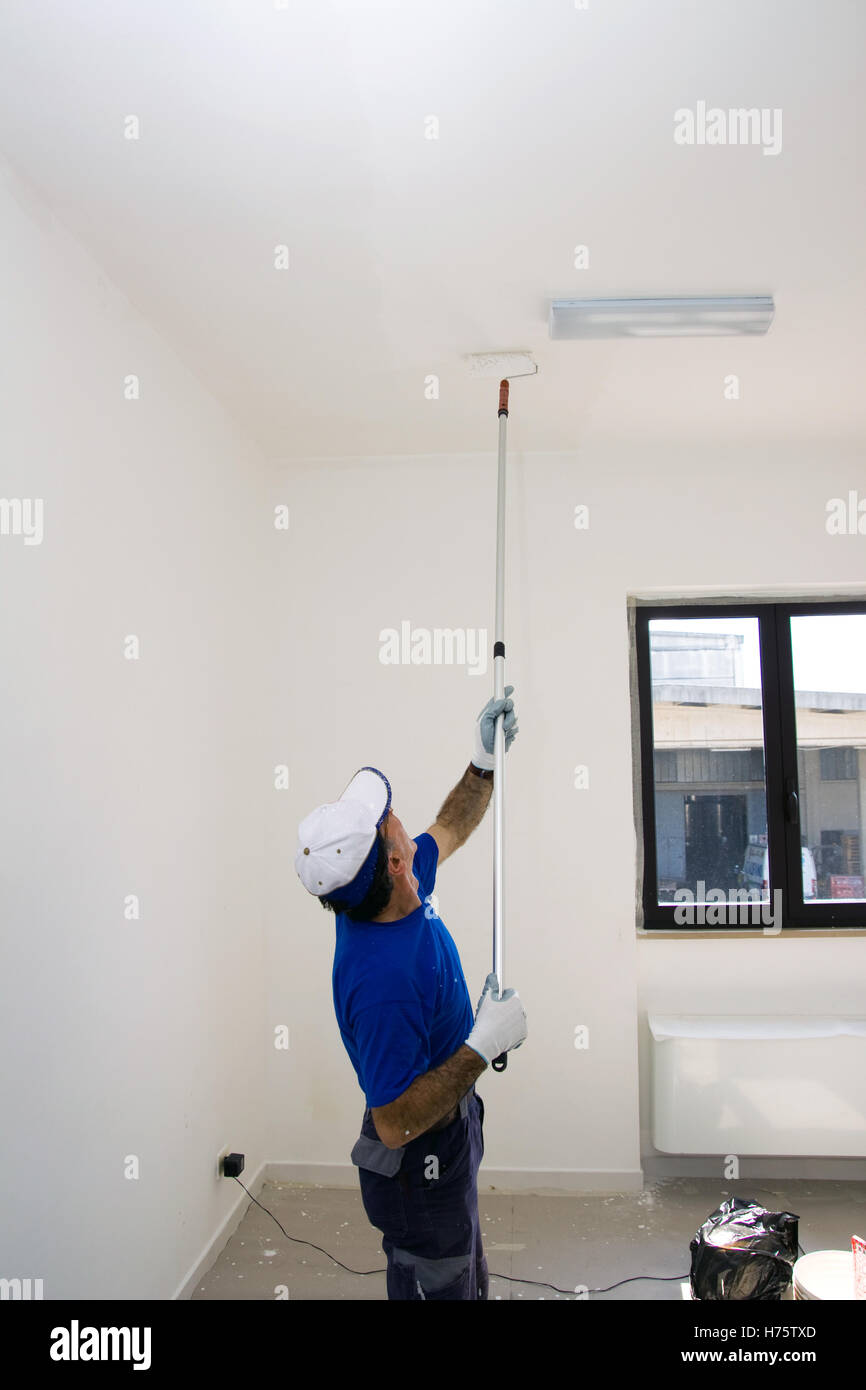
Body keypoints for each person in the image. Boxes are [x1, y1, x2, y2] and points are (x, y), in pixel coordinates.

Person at [294, 688, 528, 1299]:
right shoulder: (382, 985)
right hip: (418, 1167)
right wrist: (481, 1046)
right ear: (393, 861)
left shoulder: (386, 887)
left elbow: (453, 824)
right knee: (438, 1281)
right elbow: (393, 1123)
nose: (399, 818)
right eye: (389, 819)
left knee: (464, 1269)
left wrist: (483, 760)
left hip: (452, 1130)